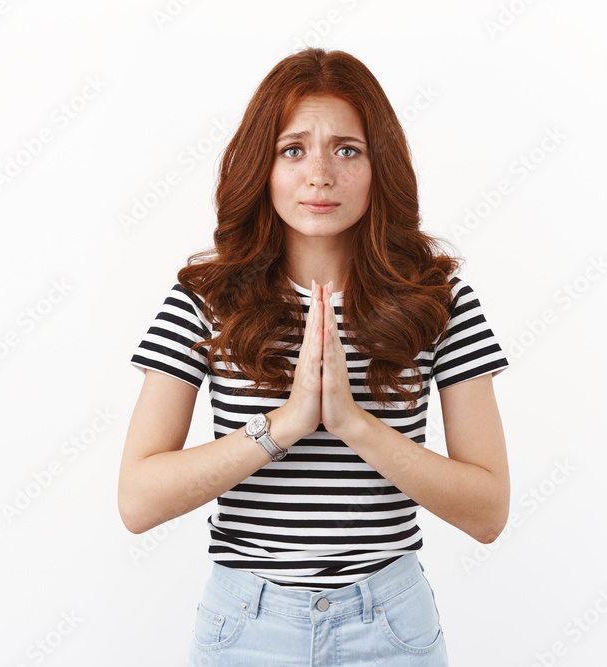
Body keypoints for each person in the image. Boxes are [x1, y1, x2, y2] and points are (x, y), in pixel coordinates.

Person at [118, 47, 510, 665]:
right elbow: (137, 500)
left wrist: (353, 424)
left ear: (381, 166)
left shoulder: (440, 300)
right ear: (261, 166)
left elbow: (488, 511)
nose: (320, 174)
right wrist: (285, 425)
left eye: (347, 150)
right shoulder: (206, 298)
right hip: (247, 628)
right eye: (292, 149)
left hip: (391, 627)